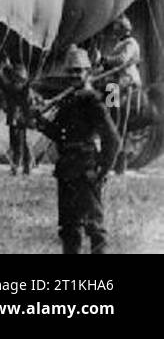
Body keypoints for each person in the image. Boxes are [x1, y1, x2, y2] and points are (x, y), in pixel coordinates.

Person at [34, 47, 120, 254]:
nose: (74, 75)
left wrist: (102, 169)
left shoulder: (93, 100)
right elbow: (60, 134)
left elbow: (113, 139)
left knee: (94, 227)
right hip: (66, 170)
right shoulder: (69, 100)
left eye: (79, 71)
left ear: (88, 72)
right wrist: (40, 122)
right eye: (70, 71)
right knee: (69, 227)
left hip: (86, 170)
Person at [98, 16, 142, 174]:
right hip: (115, 81)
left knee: (116, 121)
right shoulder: (121, 43)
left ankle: (117, 160)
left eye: (117, 29)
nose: (115, 32)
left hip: (124, 80)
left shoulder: (130, 43)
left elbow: (123, 59)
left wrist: (105, 59)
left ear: (123, 30)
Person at [0, 56, 37, 176]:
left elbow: (1, 80)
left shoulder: (22, 90)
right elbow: (0, 81)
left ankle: (24, 166)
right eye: (16, 81)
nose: (17, 84)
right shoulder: (16, 89)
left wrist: (5, 67)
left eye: (19, 81)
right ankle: (18, 166)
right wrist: (4, 68)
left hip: (22, 120)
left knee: (23, 144)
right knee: (17, 144)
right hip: (17, 119)